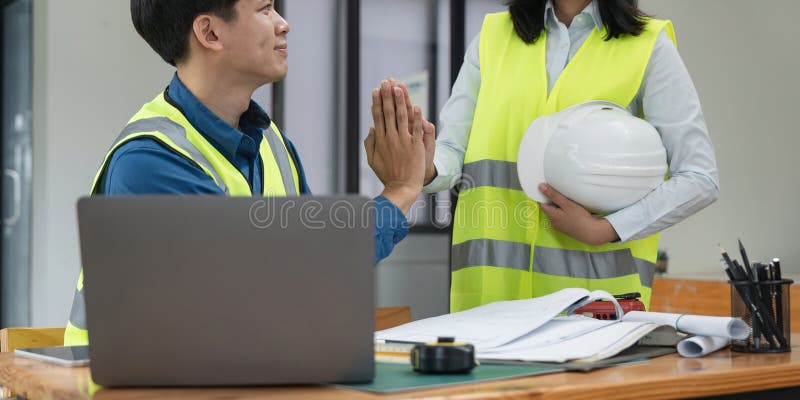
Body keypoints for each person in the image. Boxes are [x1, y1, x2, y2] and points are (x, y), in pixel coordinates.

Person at [64, 0, 426, 346]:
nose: (284, 24)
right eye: (265, 9)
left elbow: (316, 254)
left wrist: (400, 188)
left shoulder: (272, 144)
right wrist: (400, 190)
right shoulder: (149, 161)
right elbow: (288, 284)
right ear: (210, 33)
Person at [396, 0, 720, 311]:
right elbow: (453, 152)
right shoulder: (492, 37)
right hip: (492, 304)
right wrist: (423, 168)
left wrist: (606, 229)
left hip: (594, 309)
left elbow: (699, 178)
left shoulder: (648, 45)